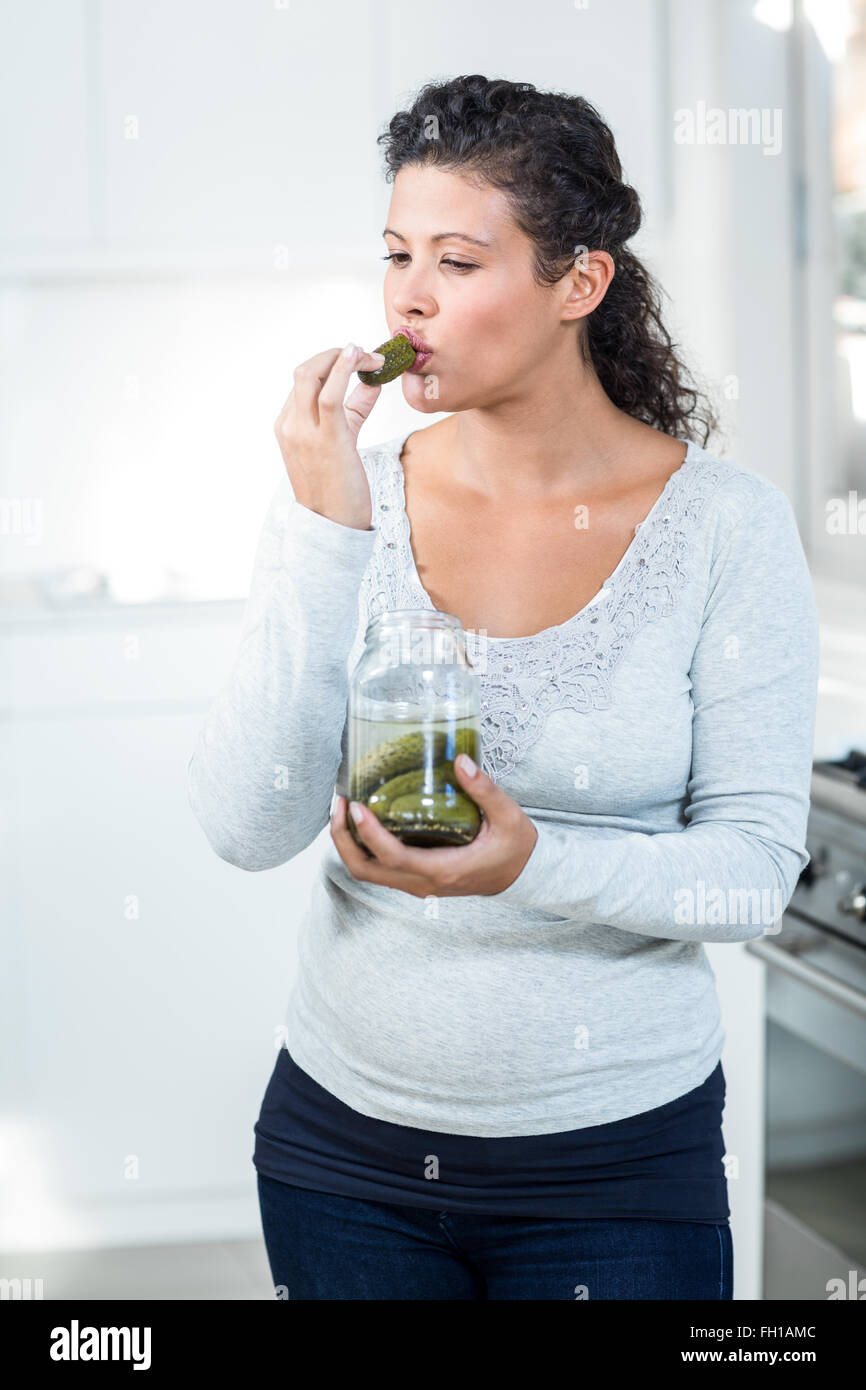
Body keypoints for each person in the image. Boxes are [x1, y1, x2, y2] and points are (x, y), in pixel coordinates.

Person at [187, 74, 819, 1301]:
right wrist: (325, 529)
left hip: (615, 1172)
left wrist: (528, 863)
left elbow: (749, 875)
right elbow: (244, 826)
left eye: (458, 262)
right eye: (396, 255)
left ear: (576, 282)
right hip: (342, 1157)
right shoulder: (343, 497)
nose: (408, 298)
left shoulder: (725, 529)